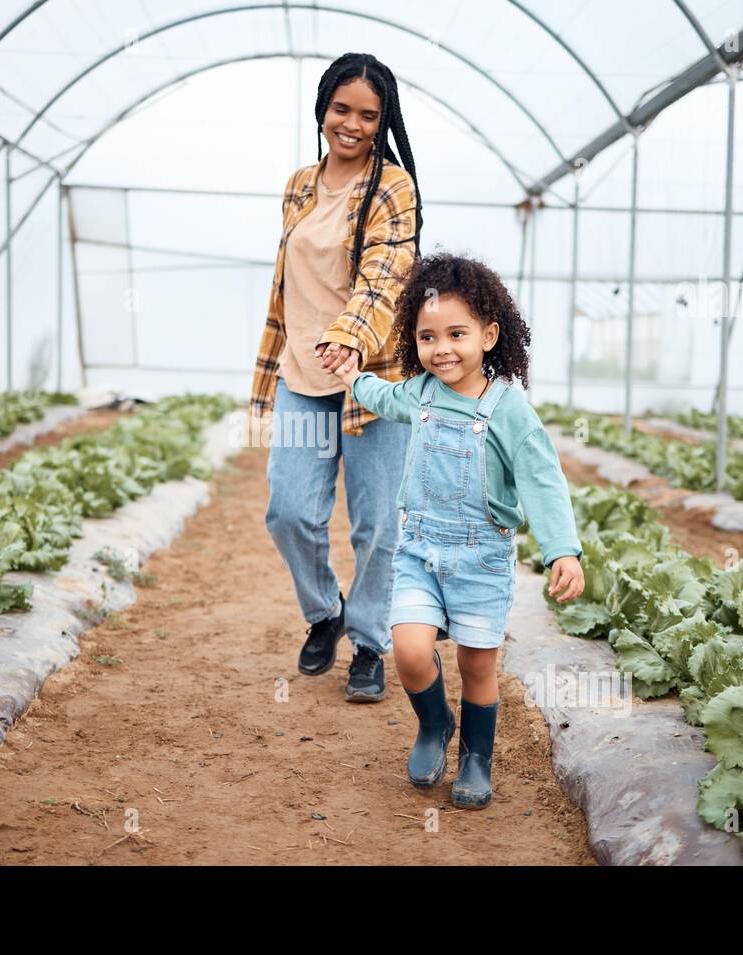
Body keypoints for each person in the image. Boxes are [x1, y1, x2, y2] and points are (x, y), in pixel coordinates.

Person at [330, 251, 585, 809]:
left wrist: (562, 550)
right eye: (426, 337)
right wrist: (353, 376)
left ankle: (475, 757)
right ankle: (433, 724)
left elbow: (542, 479)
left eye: (456, 333)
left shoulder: (508, 408)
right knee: (410, 651)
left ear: (489, 336)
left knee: (477, 663)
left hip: (482, 559)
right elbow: (380, 396)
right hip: (419, 549)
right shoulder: (419, 393)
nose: (441, 348)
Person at [249, 53, 423, 703]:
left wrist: (347, 336)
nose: (351, 124)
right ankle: (327, 611)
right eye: (341, 109)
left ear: (383, 123)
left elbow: (386, 272)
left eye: (368, 116)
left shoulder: (393, 188)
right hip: (300, 371)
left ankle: (371, 641)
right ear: (322, 108)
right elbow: (293, 278)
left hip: (373, 380)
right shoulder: (298, 185)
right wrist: (306, 346)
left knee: (378, 523)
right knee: (289, 510)